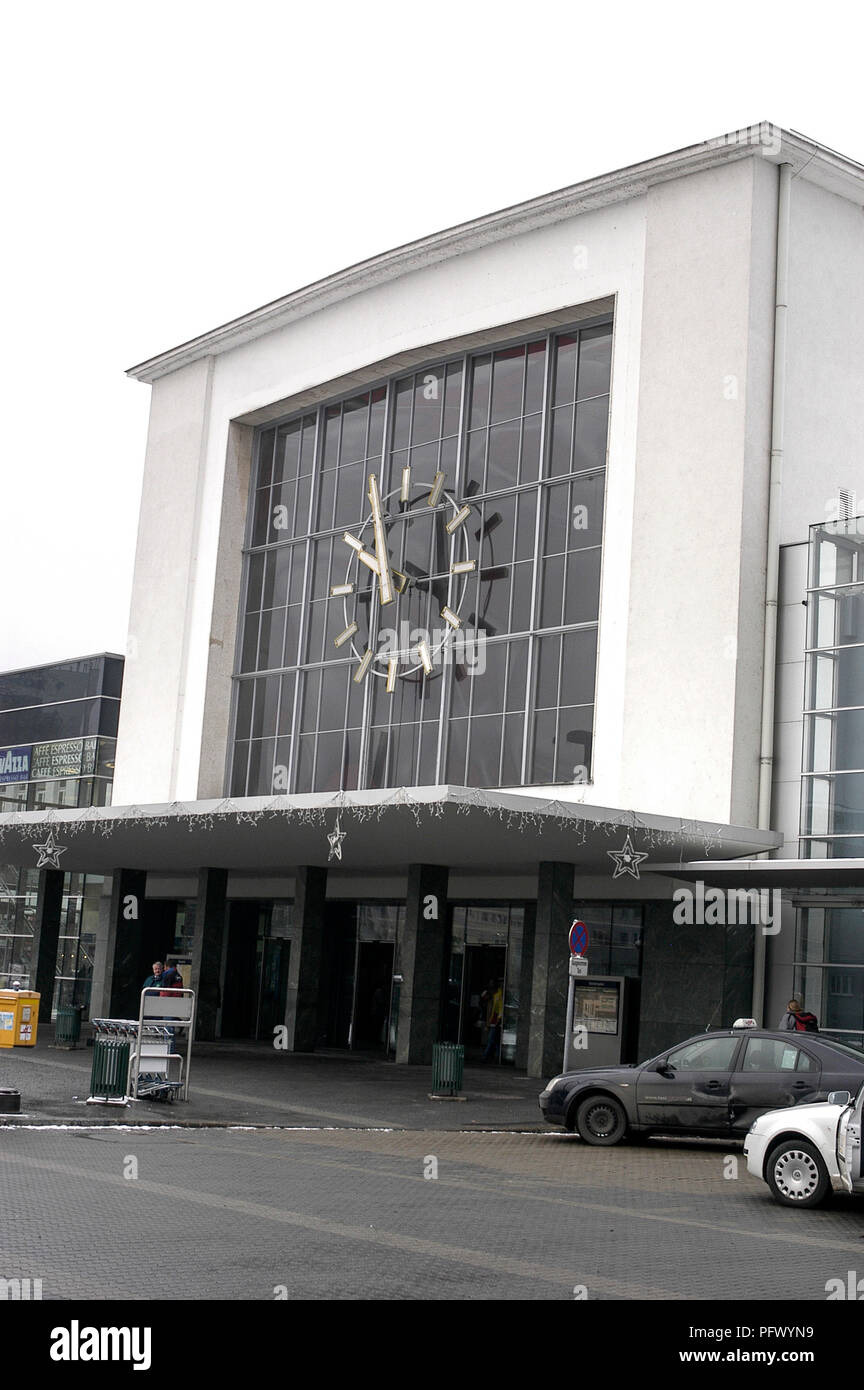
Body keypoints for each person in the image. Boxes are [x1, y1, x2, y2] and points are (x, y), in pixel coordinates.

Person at [482, 978, 504, 1062]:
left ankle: (486, 1056)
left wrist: (498, 1019)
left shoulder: (497, 996)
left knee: (491, 1040)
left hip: (495, 1021)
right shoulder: (494, 997)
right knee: (495, 1040)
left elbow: (498, 1009)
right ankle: (498, 1056)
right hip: (494, 1021)